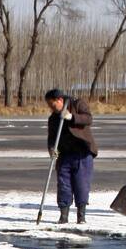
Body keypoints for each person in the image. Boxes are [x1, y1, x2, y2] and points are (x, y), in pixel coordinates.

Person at [44, 88, 98, 224]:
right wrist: (52, 149)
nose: (51, 108)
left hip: (82, 154)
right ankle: (63, 216)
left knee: (81, 185)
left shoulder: (78, 104)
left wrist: (72, 117)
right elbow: (51, 138)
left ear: (60, 100)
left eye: (52, 104)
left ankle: (81, 216)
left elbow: (88, 118)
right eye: (49, 105)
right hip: (64, 156)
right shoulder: (53, 118)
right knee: (64, 186)